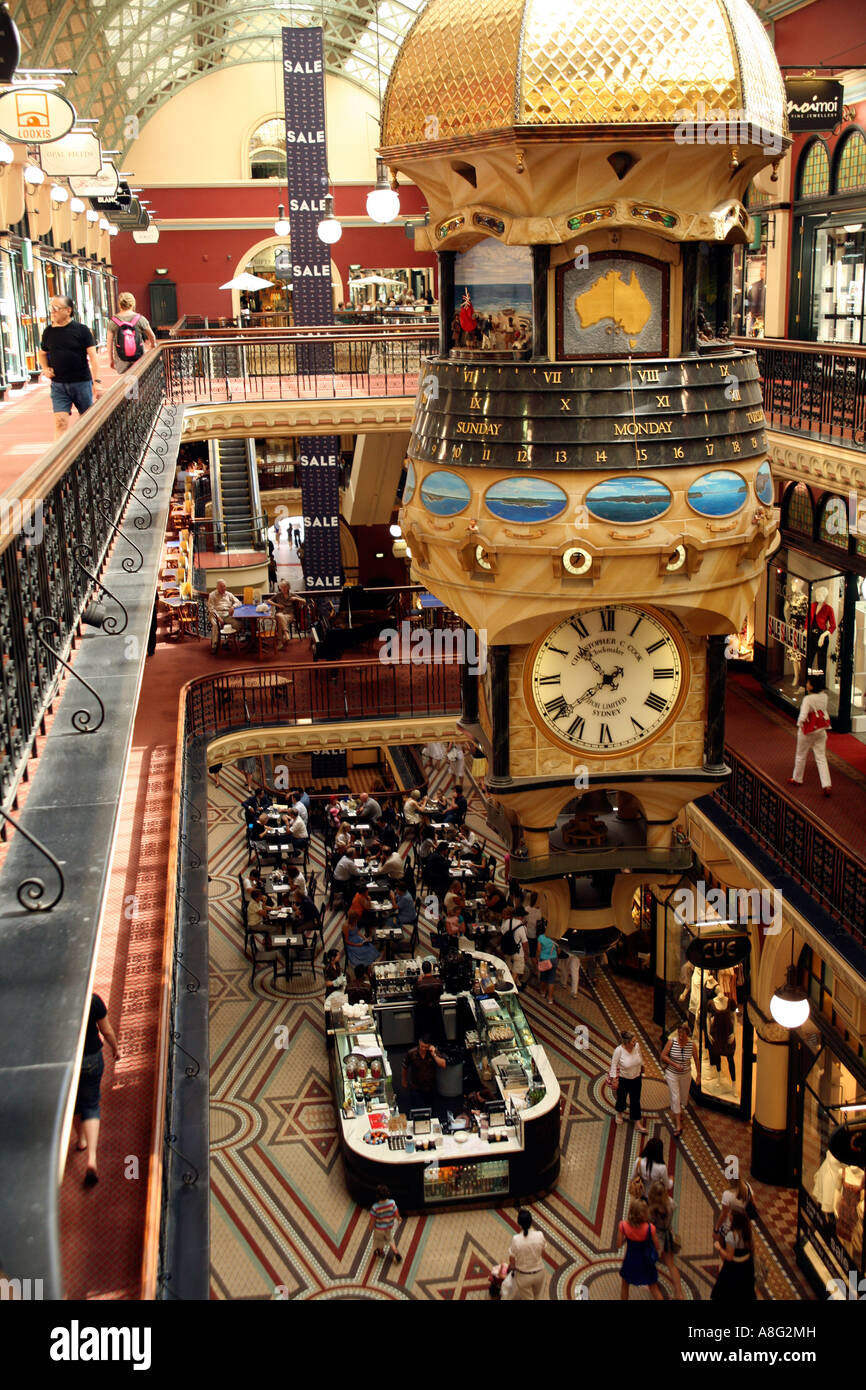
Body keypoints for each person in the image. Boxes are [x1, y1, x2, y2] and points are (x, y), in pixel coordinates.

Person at [73, 993, 120, 1187]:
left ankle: (81, 1140)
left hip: (69, 1061)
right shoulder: (92, 1000)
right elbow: (106, 1030)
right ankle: (92, 1158)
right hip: (91, 1057)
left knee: (75, 1104)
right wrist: (115, 1048)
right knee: (91, 1104)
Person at [39, 296, 102, 438]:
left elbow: (93, 357)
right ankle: (60, 458)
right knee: (60, 422)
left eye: (56, 308)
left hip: (81, 383)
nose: (52, 312)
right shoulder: (48, 332)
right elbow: (42, 353)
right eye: (51, 308)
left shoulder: (82, 330)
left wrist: (97, 382)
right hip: (58, 385)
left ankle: (86, 451)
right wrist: (45, 367)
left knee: (87, 421)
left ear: (68, 310)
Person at [789, 673, 832, 796]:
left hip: (807, 731)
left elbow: (803, 716)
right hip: (821, 730)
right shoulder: (825, 697)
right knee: (821, 757)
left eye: (808, 683)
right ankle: (826, 784)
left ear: (812, 687)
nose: (806, 684)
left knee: (801, 755)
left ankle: (797, 778)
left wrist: (799, 725)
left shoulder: (808, 699)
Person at [617, 1197, 663, 1301]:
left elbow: (619, 1244)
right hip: (646, 1262)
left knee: (625, 1285)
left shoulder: (623, 1226)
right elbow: (657, 1246)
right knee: (654, 1288)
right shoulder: (650, 1228)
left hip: (630, 1261)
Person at [647, 1180, 684, 1299]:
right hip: (668, 1234)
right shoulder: (671, 1204)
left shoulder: (653, 1209)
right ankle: (679, 1292)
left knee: (651, 1262)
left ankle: (651, 1285)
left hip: (657, 1237)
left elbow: (650, 1224)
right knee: (671, 1265)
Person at [608, 1029, 648, 1132]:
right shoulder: (619, 1050)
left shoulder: (637, 1046)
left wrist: (642, 1066)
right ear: (626, 1042)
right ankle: (619, 1112)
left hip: (636, 1078)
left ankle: (637, 1122)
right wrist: (614, 1079)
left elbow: (640, 1057)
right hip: (624, 1079)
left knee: (635, 1100)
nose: (635, 1043)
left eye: (635, 1041)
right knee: (621, 1098)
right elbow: (613, 1065)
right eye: (633, 1041)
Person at [711, 1209, 756, 1301]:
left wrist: (719, 1247)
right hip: (747, 1266)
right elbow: (752, 1249)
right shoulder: (749, 1231)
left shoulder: (731, 1235)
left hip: (733, 1269)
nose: (728, 1216)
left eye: (730, 1216)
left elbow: (729, 1257)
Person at [107, 291, 156, 374]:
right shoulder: (140, 319)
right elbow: (152, 336)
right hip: (138, 356)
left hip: (121, 358)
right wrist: (152, 346)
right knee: (139, 378)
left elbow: (109, 343)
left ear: (119, 305)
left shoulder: (113, 321)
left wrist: (111, 360)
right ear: (133, 304)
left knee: (125, 383)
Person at [660, 1022, 694, 1137]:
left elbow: (697, 1060)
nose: (680, 1037)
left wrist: (698, 1074)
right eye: (679, 1034)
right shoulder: (672, 1042)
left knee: (683, 1096)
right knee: (675, 1096)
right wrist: (675, 1065)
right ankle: (678, 1125)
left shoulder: (692, 1045)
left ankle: (678, 1111)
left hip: (686, 1075)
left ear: (687, 1035)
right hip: (672, 1074)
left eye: (683, 1035)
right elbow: (663, 1055)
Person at [507, 1208, 547, 1300]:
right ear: (531, 1221)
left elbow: (512, 1259)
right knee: (539, 1297)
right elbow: (543, 1254)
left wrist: (513, 1267)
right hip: (539, 1273)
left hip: (523, 1275)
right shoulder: (540, 1235)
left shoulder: (516, 1239)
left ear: (519, 1223)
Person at [401, 1034, 446, 1108]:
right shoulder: (411, 1053)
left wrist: (434, 1054)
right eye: (422, 1046)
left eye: (426, 1047)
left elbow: (443, 1064)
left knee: (430, 1109)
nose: (424, 1049)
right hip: (416, 1087)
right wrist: (404, 1080)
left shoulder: (433, 1052)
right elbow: (405, 1067)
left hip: (430, 1087)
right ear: (419, 1043)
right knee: (417, 1108)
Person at [715, 1174, 757, 1239]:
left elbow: (724, 1214)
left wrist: (716, 1229)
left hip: (730, 1225)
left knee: (724, 1245)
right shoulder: (747, 1186)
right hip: (743, 1223)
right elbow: (753, 1202)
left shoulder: (727, 1194)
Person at [207, 580, 243, 653]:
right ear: (217, 587)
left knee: (238, 624)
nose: (223, 588)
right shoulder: (212, 595)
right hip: (215, 615)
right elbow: (211, 608)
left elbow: (238, 602)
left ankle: (226, 642)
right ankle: (214, 645)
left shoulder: (229, 594)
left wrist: (233, 607)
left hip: (227, 615)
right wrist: (218, 618)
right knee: (215, 625)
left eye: (224, 586)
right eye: (221, 587)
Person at [370, 1185, 402, 1262]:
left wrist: (371, 1226)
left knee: (379, 1241)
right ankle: (396, 1252)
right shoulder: (392, 1203)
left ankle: (380, 1253)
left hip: (379, 1229)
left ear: (377, 1196)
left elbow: (373, 1219)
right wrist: (398, 1218)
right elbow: (396, 1213)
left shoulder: (375, 1207)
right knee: (390, 1239)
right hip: (388, 1226)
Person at [501, 907, 529, 987]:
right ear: (521, 916)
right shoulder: (522, 927)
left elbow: (503, 933)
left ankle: (515, 983)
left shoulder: (507, 922)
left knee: (509, 969)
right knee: (515, 972)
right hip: (518, 952)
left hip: (507, 949)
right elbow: (525, 942)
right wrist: (526, 954)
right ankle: (510, 988)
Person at [271, 580, 296, 650]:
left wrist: (296, 598)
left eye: (285, 587)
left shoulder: (292, 595)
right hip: (280, 613)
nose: (283, 589)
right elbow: (268, 601)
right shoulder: (278, 595)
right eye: (281, 587)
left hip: (289, 615)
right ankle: (286, 633)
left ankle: (280, 642)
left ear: (288, 587)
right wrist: (277, 605)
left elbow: (304, 601)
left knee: (280, 620)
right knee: (279, 616)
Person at [536, 926, 558, 1001]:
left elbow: (538, 950)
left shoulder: (541, 937)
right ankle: (550, 998)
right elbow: (559, 950)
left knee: (543, 977)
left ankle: (543, 992)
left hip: (544, 959)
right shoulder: (555, 938)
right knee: (551, 979)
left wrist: (537, 959)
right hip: (553, 959)